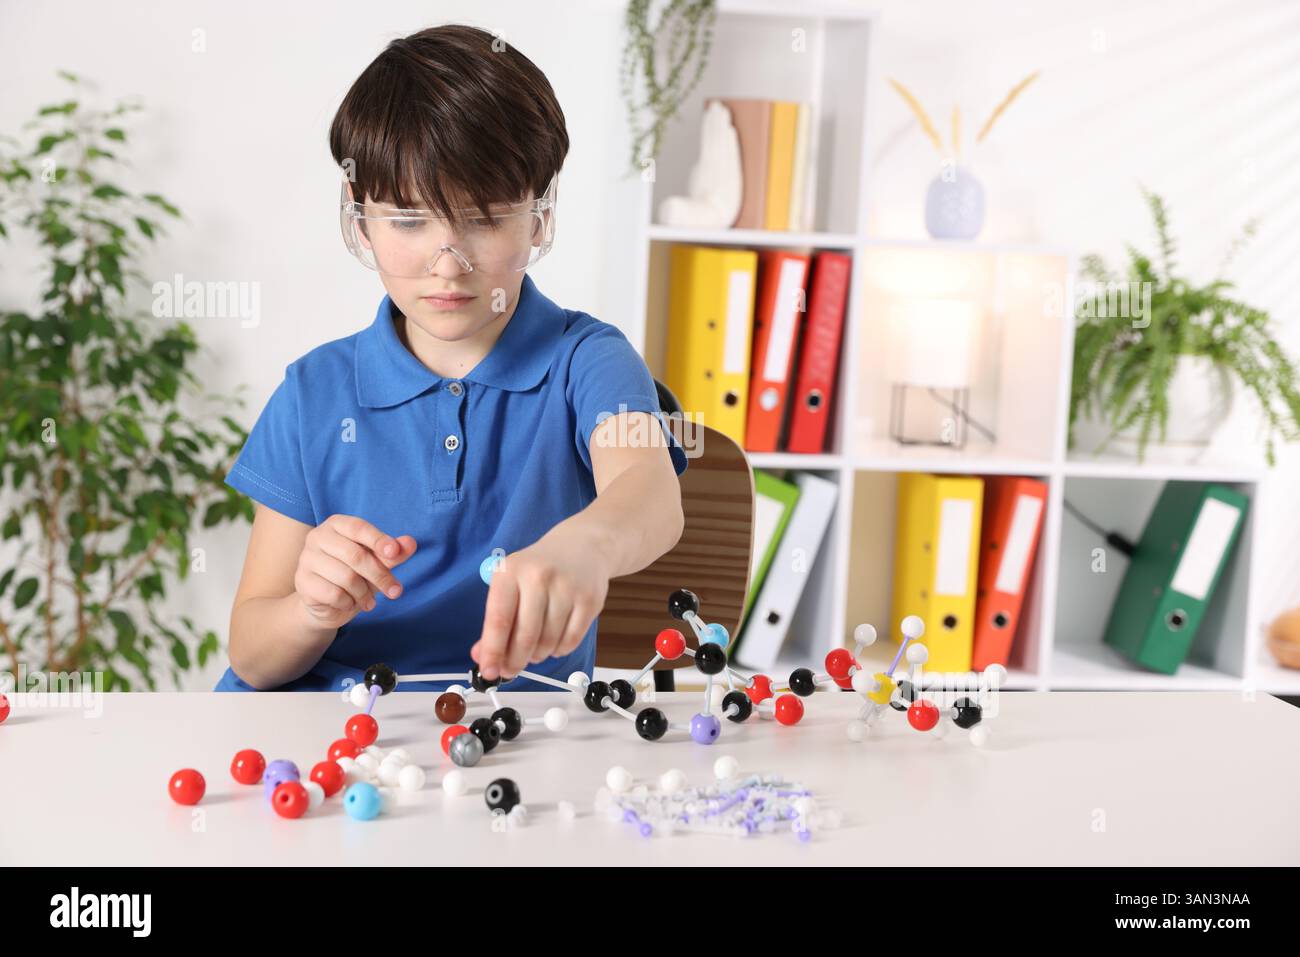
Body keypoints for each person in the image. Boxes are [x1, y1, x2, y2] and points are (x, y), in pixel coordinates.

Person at [217, 24, 686, 692]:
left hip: (513, 739)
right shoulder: (313, 393)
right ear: (360, 219)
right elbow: (252, 656)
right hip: (324, 742)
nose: (448, 262)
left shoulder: (589, 360)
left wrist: (586, 543)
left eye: (486, 218)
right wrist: (311, 608)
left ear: (540, 211)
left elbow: (650, 492)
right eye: (408, 221)